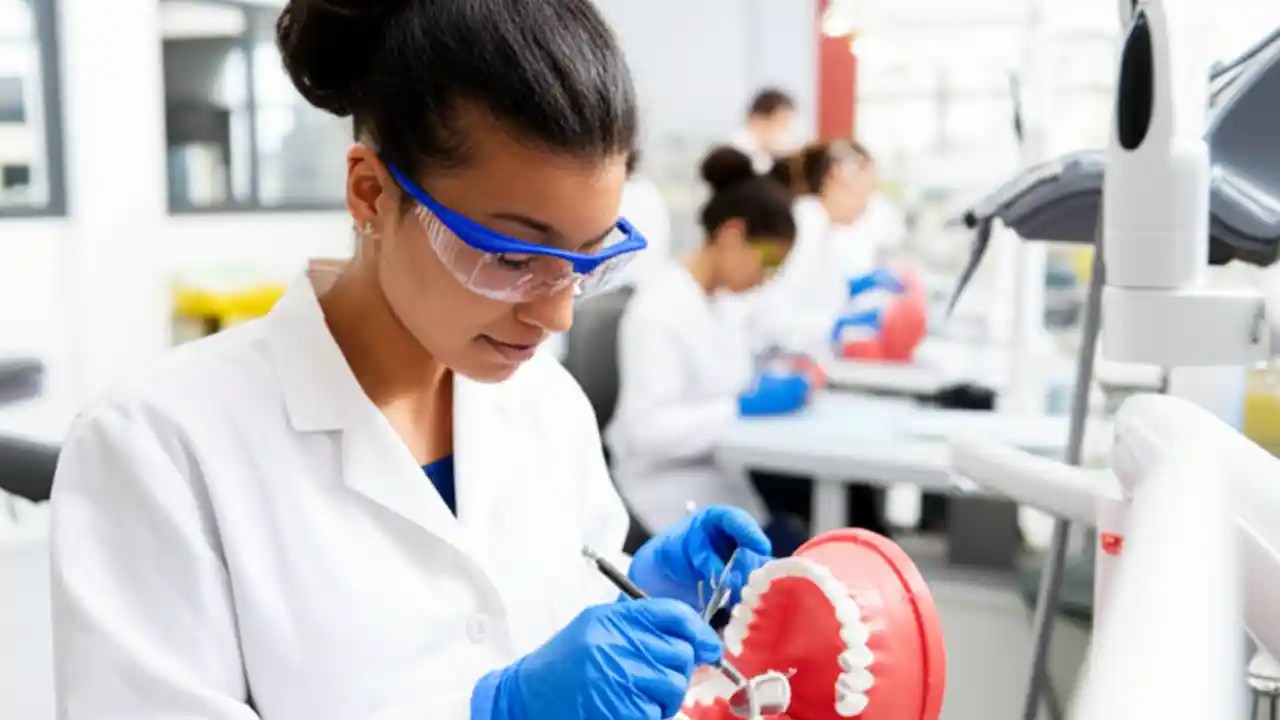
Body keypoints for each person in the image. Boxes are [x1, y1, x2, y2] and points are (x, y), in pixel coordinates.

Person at [48, 2, 772, 718]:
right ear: (370, 192)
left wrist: (642, 592)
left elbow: (566, 636)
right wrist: (495, 713)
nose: (556, 315)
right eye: (512, 257)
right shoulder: (158, 447)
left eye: (585, 263)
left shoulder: (549, 403)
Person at [607, 147, 808, 554]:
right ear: (731, 235)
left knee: (802, 547)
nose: (766, 279)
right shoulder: (659, 309)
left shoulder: (723, 305)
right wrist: (738, 408)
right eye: (767, 263)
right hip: (665, 494)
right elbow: (645, 432)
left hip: (718, 483)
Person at [730, 88, 799, 174]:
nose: (786, 132)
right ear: (756, 119)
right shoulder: (735, 157)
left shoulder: (766, 156)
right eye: (782, 123)